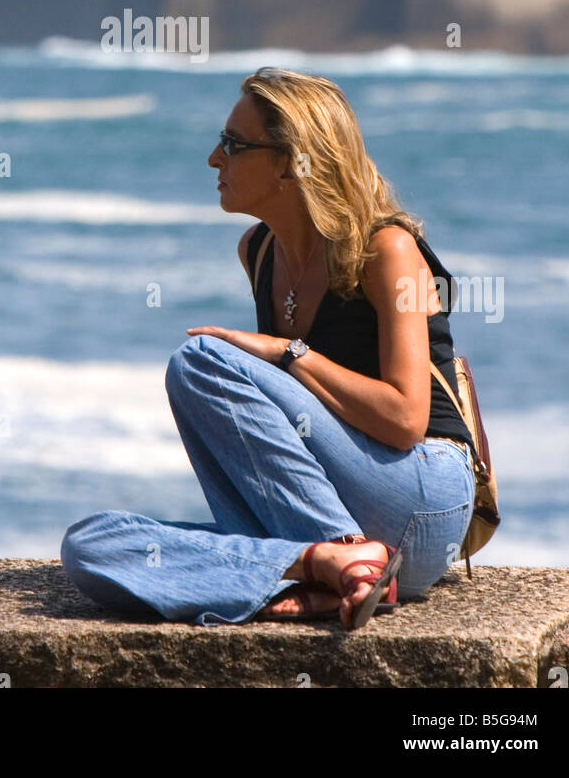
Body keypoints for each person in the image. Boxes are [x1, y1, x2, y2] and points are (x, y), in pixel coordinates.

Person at [61, 67, 476, 628]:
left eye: (234, 144)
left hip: (420, 498)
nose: (214, 158)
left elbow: (405, 418)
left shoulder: (388, 249)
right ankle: (325, 566)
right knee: (92, 546)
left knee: (199, 361)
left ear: (289, 163)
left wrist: (289, 353)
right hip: (353, 525)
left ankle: (329, 558)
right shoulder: (257, 251)